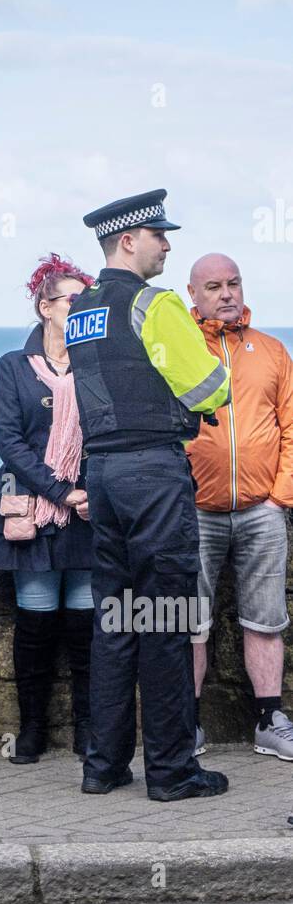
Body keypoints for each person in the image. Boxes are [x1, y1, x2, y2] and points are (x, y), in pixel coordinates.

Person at [65, 190, 232, 802]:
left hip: (102, 475)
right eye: (159, 235)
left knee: (115, 621)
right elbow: (209, 387)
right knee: (167, 620)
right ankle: (171, 771)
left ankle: (103, 765)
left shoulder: (81, 307)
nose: (167, 244)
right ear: (129, 241)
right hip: (153, 475)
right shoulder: (153, 303)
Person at [0, 253, 95, 763]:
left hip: (86, 515)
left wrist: (90, 489)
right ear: (45, 307)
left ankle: (88, 731)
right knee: (35, 624)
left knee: (84, 625)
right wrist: (62, 490)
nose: (80, 307)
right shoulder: (14, 367)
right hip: (34, 510)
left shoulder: (98, 366)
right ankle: (32, 731)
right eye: (72, 299)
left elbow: (109, 434)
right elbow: (10, 442)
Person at [186, 254, 293, 759]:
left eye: (233, 283)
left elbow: (291, 429)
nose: (227, 293)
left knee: (266, 618)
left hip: (261, 509)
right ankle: (187, 724)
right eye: (213, 286)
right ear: (193, 295)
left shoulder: (271, 351)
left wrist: (279, 497)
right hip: (194, 511)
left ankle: (270, 720)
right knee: (189, 620)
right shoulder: (175, 351)